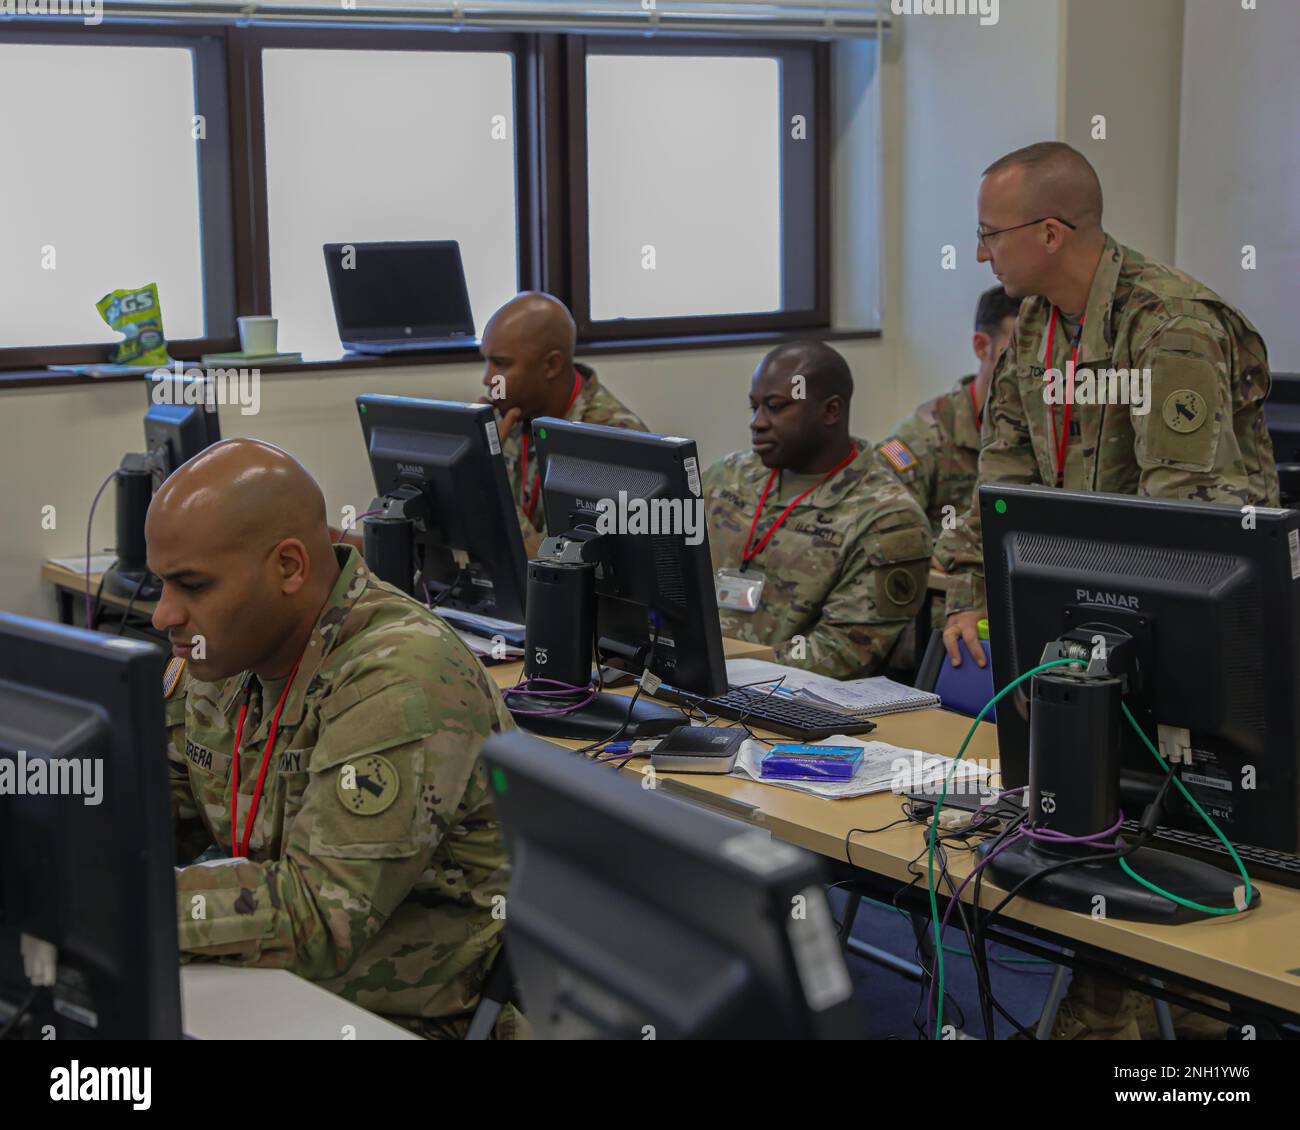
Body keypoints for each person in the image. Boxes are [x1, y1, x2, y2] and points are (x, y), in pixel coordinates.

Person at [935, 141, 1277, 1040]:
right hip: (1090, 647)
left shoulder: (1170, 326)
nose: (980, 255)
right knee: (1094, 866)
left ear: (1050, 232)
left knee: (1200, 912)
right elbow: (1000, 485)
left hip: (1188, 652)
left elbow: (1190, 533)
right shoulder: (1036, 333)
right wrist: (969, 592)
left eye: (989, 235)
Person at [148, 438, 523, 1039]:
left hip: (408, 1019)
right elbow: (157, 813)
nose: (163, 615)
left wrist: (115, 901)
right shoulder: (227, 658)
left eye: (192, 586)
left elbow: (321, 916)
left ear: (289, 567)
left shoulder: (400, 676)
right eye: (162, 584)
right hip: (276, 991)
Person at [702, 341, 931, 679]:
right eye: (754, 407)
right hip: (698, 683)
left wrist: (728, 670)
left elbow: (841, 654)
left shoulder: (888, 518)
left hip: (795, 704)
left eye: (776, 408)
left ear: (830, 411)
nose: (757, 423)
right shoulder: (729, 476)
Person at [479, 292, 648, 554]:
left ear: (551, 365)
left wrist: (488, 481)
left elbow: (554, 566)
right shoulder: (510, 413)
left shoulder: (612, 443)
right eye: (486, 360)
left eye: (500, 364)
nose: (488, 379)